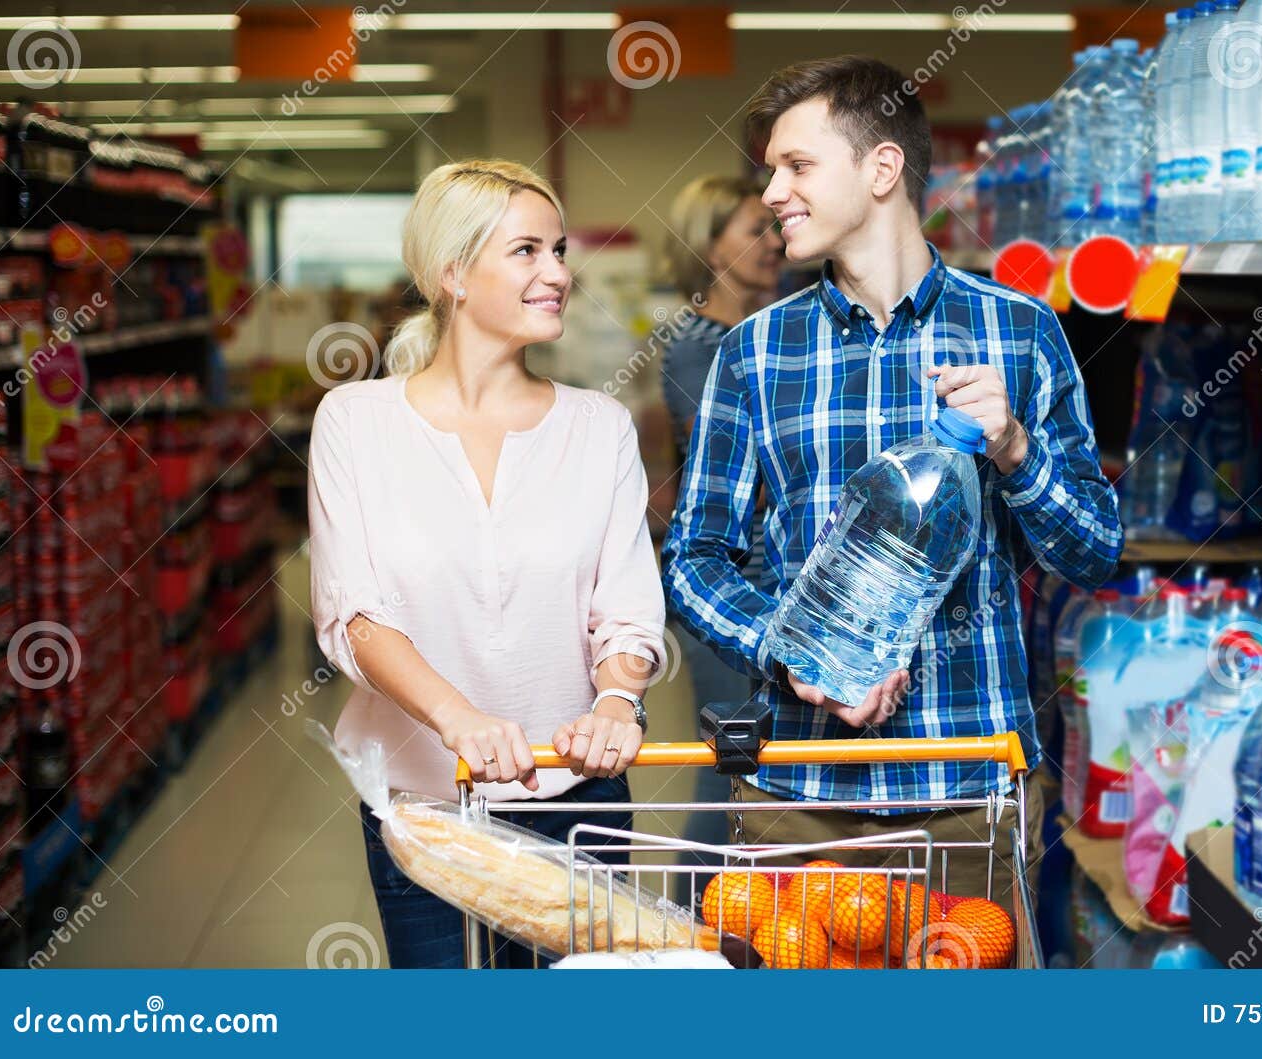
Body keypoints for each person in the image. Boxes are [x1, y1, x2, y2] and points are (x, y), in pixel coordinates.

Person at [663, 57, 1122, 917]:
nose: (772, 193)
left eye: (797, 166)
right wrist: (790, 651)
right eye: (771, 171)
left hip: (967, 794)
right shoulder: (754, 352)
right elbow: (693, 558)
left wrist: (1017, 450)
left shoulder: (1020, 331)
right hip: (799, 795)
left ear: (881, 169)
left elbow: (1095, 552)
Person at [309, 160, 666, 969]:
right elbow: (352, 612)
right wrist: (457, 717)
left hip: (578, 797)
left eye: (559, 250)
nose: (559, 273)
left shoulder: (599, 427)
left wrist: (617, 701)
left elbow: (626, 608)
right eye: (528, 251)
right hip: (427, 809)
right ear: (454, 273)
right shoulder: (355, 423)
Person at [658, 175, 783, 858]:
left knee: (759, 771)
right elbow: (735, 478)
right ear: (709, 247)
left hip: (772, 590)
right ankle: (692, 915)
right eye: (754, 230)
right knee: (730, 770)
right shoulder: (697, 344)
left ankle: (742, 912)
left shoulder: (761, 333)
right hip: (725, 589)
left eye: (774, 227)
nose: (774, 242)